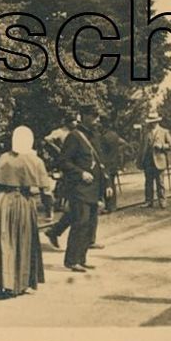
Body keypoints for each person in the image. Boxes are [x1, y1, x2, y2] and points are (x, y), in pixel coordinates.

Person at [0, 126, 50, 298]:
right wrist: (49, 211)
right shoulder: (36, 161)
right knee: (24, 243)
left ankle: (0, 285)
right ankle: (19, 284)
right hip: (25, 204)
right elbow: (46, 192)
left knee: (3, 243)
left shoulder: (4, 159)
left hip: (3, 202)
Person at [45, 103, 106, 272]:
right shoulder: (74, 136)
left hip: (94, 188)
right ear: (84, 116)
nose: (97, 119)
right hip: (80, 188)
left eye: (97, 116)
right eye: (94, 116)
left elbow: (100, 163)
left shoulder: (94, 135)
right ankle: (71, 260)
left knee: (89, 224)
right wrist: (80, 173)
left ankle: (82, 258)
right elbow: (63, 161)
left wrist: (104, 187)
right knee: (80, 223)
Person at [138, 112, 171, 209]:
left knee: (160, 182)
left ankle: (162, 200)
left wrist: (162, 146)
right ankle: (148, 201)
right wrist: (140, 159)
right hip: (148, 161)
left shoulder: (164, 132)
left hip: (159, 160)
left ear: (157, 121)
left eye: (154, 122)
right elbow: (142, 147)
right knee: (148, 182)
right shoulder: (146, 133)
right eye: (151, 122)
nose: (152, 124)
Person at [98, 125, 125, 213]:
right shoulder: (114, 135)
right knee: (112, 184)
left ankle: (109, 206)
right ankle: (113, 206)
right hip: (114, 163)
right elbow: (123, 143)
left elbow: (101, 151)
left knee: (107, 184)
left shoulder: (104, 137)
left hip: (106, 163)